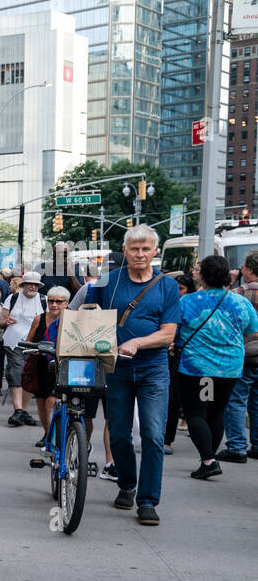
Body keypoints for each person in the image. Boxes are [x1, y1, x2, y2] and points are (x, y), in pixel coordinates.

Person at [86, 225, 180, 526]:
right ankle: (127, 484)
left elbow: (168, 334)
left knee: (153, 435)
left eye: (145, 248)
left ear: (155, 251)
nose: (140, 254)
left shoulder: (166, 286)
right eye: (134, 248)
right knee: (119, 434)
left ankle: (148, 500)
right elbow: (83, 309)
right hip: (117, 369)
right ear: (124, 251)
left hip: (153, 369)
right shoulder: (108, 281)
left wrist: (137, 342)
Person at [176, 255, 258, 479]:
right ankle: (207, 456)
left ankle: (208, 459)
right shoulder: (240, 302)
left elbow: (174, 331)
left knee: (196, 413)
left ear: (202, 276)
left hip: (198, 369)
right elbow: (253, 329)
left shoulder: (188, 301)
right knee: (216, 411)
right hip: (230, 368)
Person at [221, 250, 258, 460]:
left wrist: (231, 281)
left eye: (244, 266)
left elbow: (222, 310)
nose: (241, 269)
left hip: (243, 353)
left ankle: (236, 446)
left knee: (236, 400)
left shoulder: (239, 293)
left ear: (250, 270)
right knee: (257, 402)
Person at [24, 286, 70, 447]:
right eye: (51, 301)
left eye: (59, 301)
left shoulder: (71, 320)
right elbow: (29, 340)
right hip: (41, 366)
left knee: (52, 401)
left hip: (61, 367)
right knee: (41, 403)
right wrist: (33, 349)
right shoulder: (39, 319)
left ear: (66, 303)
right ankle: (47, 433)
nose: (54, 305)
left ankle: (56, 437)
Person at [2, 271, 46, 427]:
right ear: (23, 285)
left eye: (36, 284)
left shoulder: (44, 301)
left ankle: (23, 411)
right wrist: (6, 321)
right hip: (14, 342)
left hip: (34, 344)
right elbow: (1, 321)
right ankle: (18, 409)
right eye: (30, 284)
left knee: (30, 376)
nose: (33, 287)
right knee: (16, 371)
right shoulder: (12, 298)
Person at [164, 274, 196, 457]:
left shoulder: (187, 304)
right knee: (172, 400)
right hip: (177, 358)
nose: (177, 293)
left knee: (191, 401)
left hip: (191, 360)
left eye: (181, 289)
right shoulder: (173, 303)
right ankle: (167, 440)